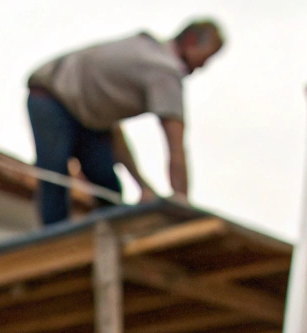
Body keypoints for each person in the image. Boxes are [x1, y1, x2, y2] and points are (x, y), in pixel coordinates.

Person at [27, 19, 226, 226]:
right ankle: (56, 243)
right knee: (54, 175)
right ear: (191, 41)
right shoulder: (164, 70)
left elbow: (113, 134)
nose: (203, 66)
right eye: (207, 57)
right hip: (52, 96)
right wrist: (182, 204)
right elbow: (176, 147)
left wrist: (143, 186)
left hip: (90, 120)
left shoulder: (144, 58)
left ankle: (107, 244)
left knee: (107, 187)